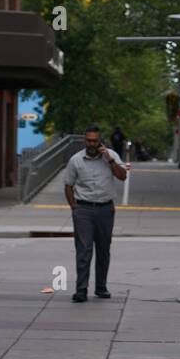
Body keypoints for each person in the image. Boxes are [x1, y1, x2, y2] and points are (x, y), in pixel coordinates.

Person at [64, 125, 127, 301]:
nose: (92, 144)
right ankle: (81, 289)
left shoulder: (111, 156)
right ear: (84, 140)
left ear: (100, 141)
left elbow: (122, 176)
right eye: (88, 140)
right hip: (83, 209)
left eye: (95, 140)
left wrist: (110, 160)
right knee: (84, 250)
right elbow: (68, 185)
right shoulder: (76, 160)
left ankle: (101, 287)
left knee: (103, 250)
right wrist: (74, 209)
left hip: (105, 208)